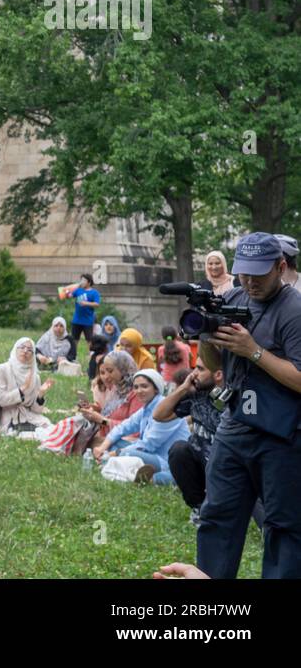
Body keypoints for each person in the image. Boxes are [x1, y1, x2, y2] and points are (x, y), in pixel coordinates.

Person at [196, 231, 301, 579]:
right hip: (236, 423)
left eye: (259, 273)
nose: (250, 281)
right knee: (217, 515)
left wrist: (253, 350)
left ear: (280, 267)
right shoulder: (234, 298)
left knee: (283, 525)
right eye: (244, 272)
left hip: (282, 434)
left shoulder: (295, 309)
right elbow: (214, 365)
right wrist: (207, 337)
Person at [153, 356, 223, 521]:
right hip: (201, 463)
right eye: (195, 368)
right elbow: (159, 415)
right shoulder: (195, 394)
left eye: (200, 369)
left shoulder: (234, 397)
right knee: (179, 450)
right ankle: (199, 508)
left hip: (226, 467)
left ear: (218, 374)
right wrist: (183, 388)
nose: (194, 374)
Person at [92, 369, 189, 485]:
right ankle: (131, 471)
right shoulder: (146, 408)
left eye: (144, 386)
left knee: (126, 453)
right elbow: (122, 427)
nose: (139, 391)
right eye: (136, 387)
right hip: (150, 455)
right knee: (114, 443)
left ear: (156, 389)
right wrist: (103, 448)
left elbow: (149, 444)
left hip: (165, 460)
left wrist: (116, 453)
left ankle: (148, 477)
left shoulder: (166, 409)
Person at [0, 337, 53, 433]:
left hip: (28, 416)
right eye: (22, 347)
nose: (25, 351)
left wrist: (40, 395)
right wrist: (22, 389)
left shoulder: (35, 376)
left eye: (30, 350)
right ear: (15, 349)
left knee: (49, 428)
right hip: (7, 416)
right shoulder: (1, 369)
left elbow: (36, 410)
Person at [63, 272, 100, 360]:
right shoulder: (78, 290)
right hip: (76, 320)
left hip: (87, 321)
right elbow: (66, 294)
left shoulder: (94, 293)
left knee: (89, 340)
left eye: (84, 280)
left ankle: (92, 357)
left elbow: (97, 304)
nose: (82, 282)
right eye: (81, 280)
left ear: (89, 282)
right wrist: (75, 286)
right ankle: (73, 357)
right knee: (74, 340)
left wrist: (86, 303)